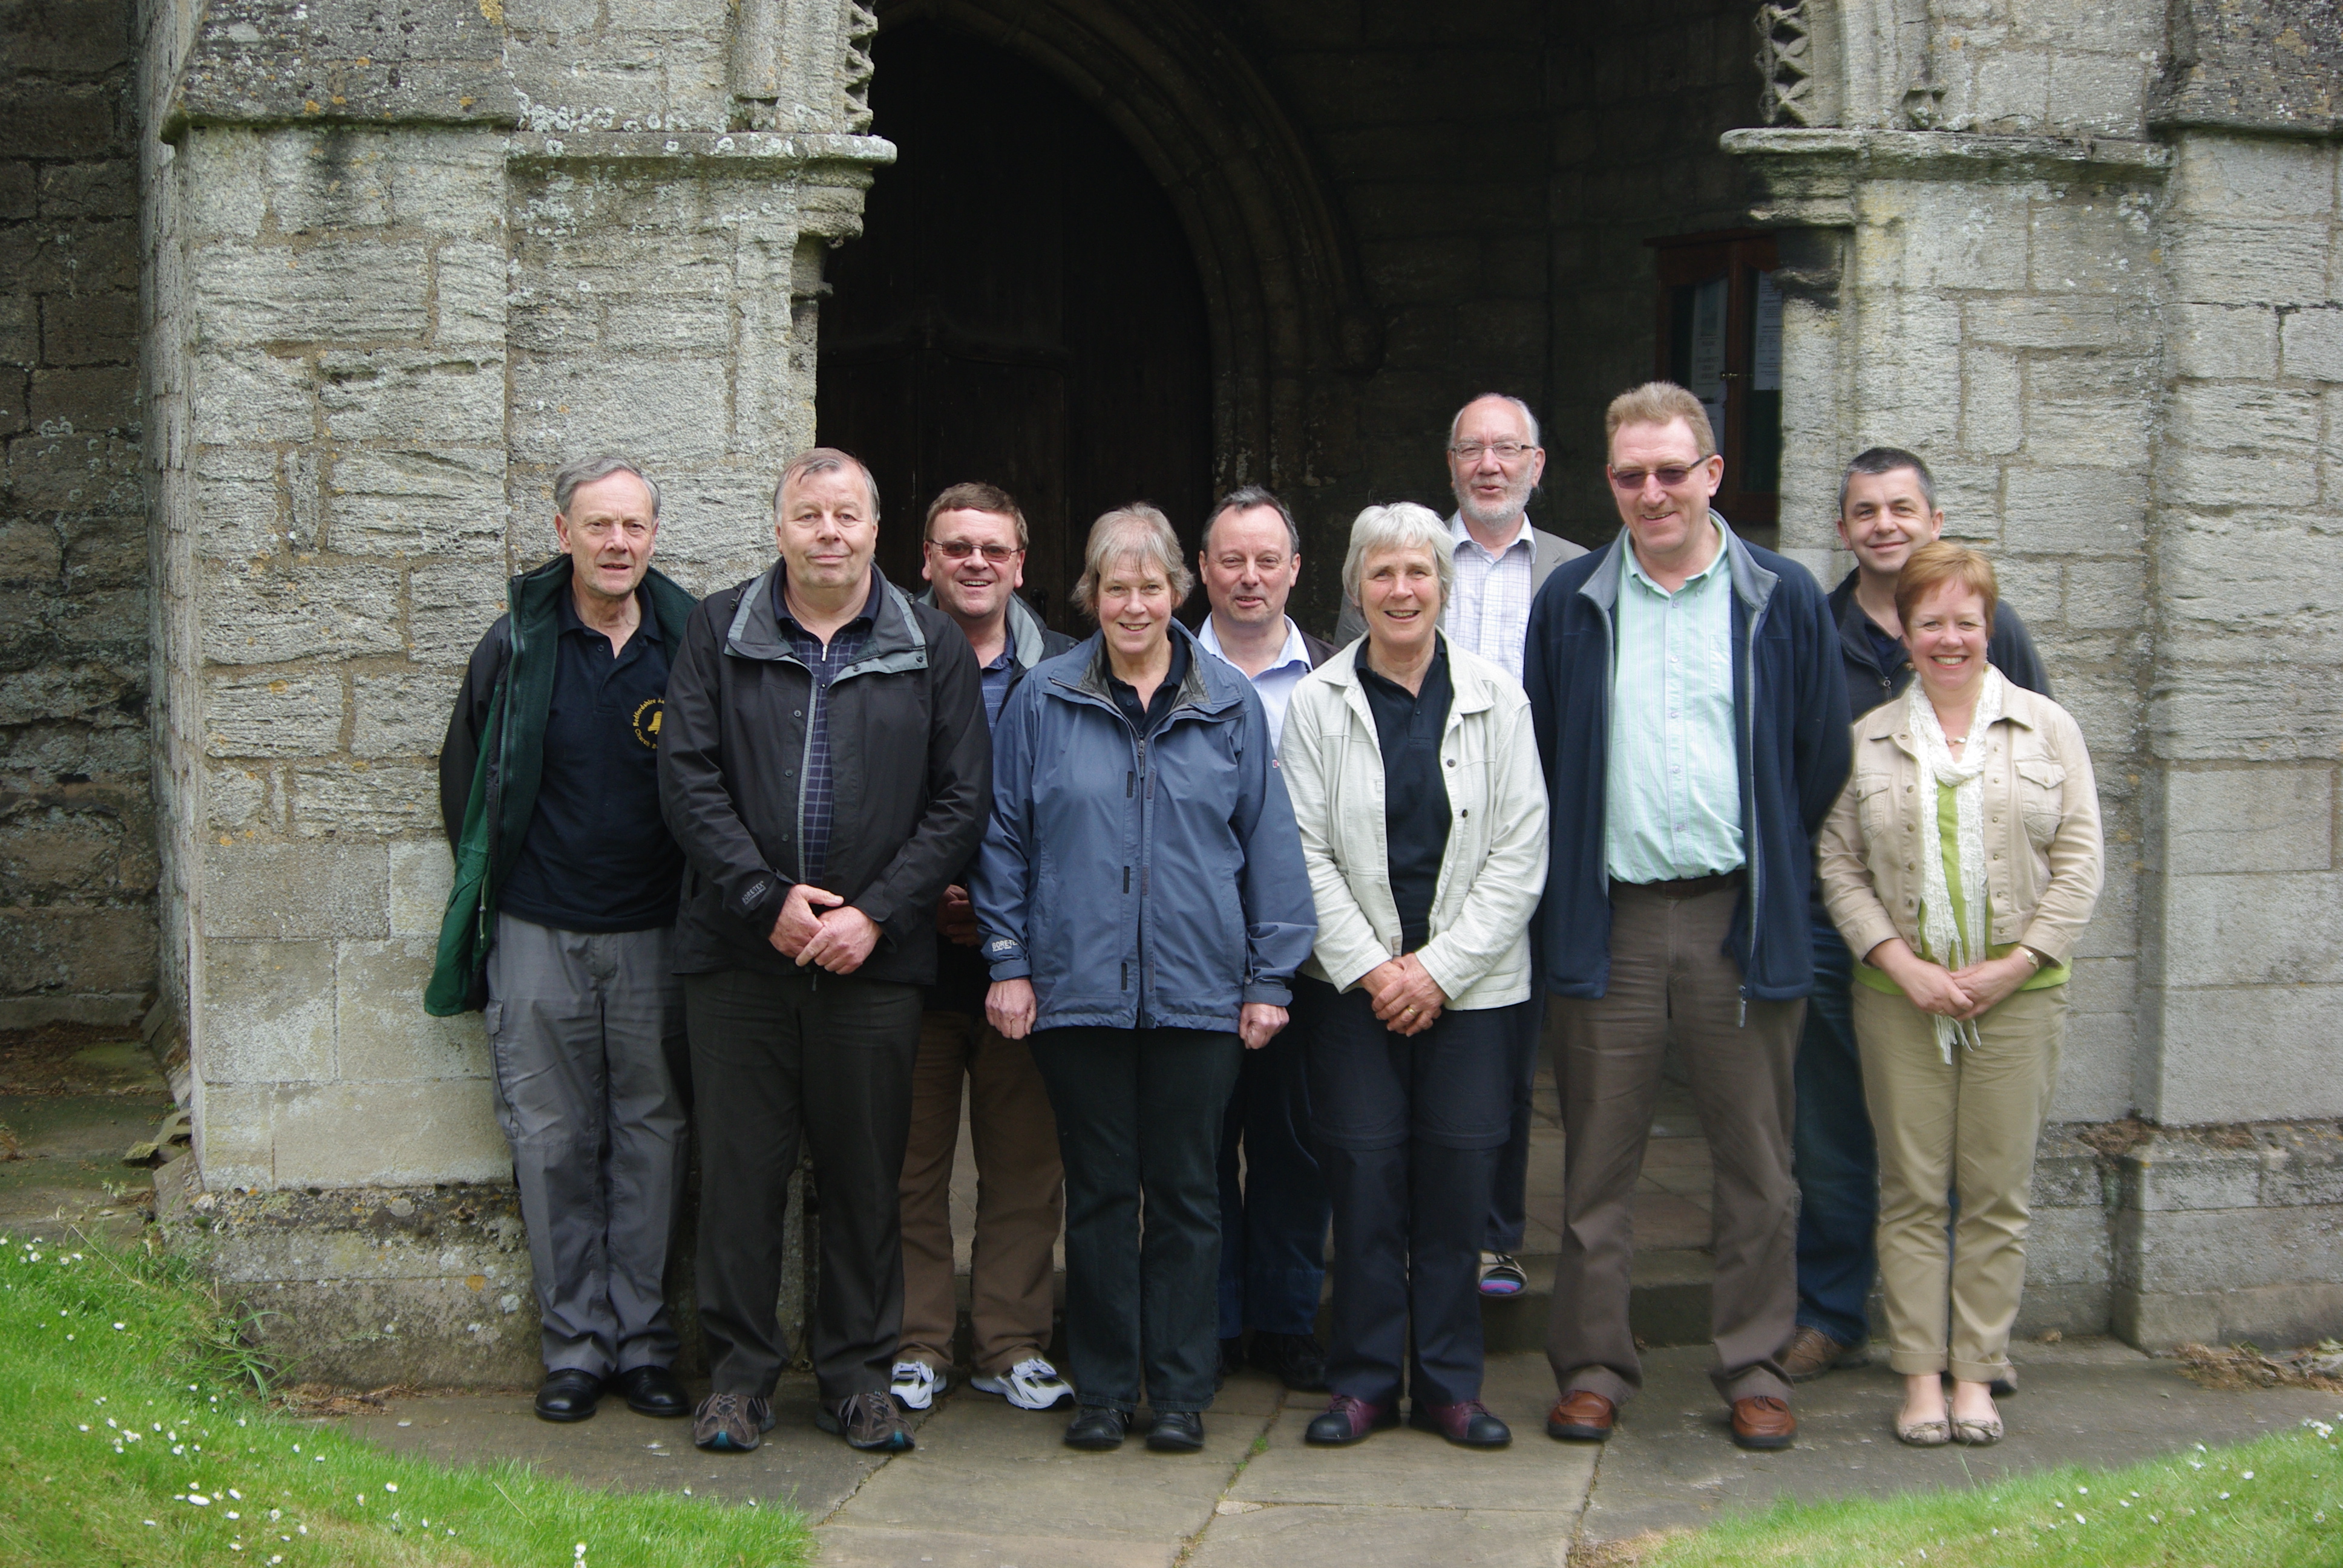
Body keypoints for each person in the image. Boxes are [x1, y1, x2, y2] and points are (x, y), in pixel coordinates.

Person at [1524, 382, 1849, 1452]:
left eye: (1672, 471)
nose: (1652, 492)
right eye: (1631, 475)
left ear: (1712, 473)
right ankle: (1593, 1369)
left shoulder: (1782, 596)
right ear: (1609, 483)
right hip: (1609, 919)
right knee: (1595, 1167)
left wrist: (1765, 862)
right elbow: (1546, 755)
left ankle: (1754, 1366)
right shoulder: (1571, 600)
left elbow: (1818, 757)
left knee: (1756, 1163)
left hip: (1736, 919)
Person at [659, 448, 990, 1455]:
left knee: (864, 1181)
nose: (829, 533)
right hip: (739, 957)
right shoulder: (720, 628)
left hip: (871, 965)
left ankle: (857, 1379)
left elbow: (960, 800)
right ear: (780, 529)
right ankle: (739, 1381)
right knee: (740, 1179)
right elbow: (687, 777)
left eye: (847, 515)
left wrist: (875, 915)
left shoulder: (930, 642)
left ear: (877, 532)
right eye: (809, 515)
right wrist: (763, 899)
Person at [973, 505, 1316, 1454]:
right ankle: (1102, 1389)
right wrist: (1008, 961)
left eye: (1152, 587)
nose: (1134, 605)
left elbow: (1269, 844)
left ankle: (1179, 1393)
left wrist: (1271, 978)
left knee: (1187, 1195)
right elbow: (1003, 839)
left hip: (1199, 994)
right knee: (1096, 1195)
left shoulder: (1229, 701)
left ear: (1178, 592)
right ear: (1092, 595)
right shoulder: (1044, 698)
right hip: (1077, 990)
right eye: (1116, 588)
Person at [433, 454, 697, 1426]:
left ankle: (646, 1345)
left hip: (658, 933)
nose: (616, 544)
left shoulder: (690, 644)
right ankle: (576, 1348)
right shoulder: (515, 644)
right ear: (563, 535)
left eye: (633, 527)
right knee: (550, 1141)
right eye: (598, 526)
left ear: (653, 537)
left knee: (654, 1138)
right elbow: (468, 785)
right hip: (539, 929)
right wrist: (512, 894)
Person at [1818, 541, 2100, 1447]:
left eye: (1965, 622)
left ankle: (1977, 1374)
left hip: (2019, 999)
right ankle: (1918, 1379)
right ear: (1904, 633)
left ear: (1990, 628)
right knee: (1909, 1191)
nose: (1949, 639)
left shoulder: (2049, 730)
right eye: (1930, 622)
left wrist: (2014, 965)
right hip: (1899, 998)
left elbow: (2081, 862)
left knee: (1995, 1194)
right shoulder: (1865, 740)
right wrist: (1902, 964)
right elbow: (1838, 864)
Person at [1280, 502, 1548, 1449]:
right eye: (1383, 573)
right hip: (1353, 993)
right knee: (1362, 1185)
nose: (1402, 590)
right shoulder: (1317, 702)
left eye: (1419, 572)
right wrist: (1375, 970)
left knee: (1454, 1190)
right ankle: (1360, 1383)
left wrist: (1436, 971)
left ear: (1444, 585)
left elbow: (1520, 853)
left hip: (1473, 993)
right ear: (1356, 589)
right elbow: (1302, 852)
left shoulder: (1498, 698)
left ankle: (1447, 1387)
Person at [1784, 449, 2054, 1386]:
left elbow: (2043, 767)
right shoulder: (1811, 631)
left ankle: (1964, 1341)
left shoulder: (1993, 630)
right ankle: (1831, 1315)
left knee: (1972, 1148)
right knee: (1833, 1139)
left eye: (1902, 508)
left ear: (1934, 521)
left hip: (1973, 947)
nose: (1885, 525)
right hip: (1839, 931)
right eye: (1866, 511)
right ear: (1843, 529)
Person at [1341, 394, 1587, 1300]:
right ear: (1449, 464)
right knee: (1390, 1079)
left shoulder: (1575, 573)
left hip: (1522, 835)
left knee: (1502, 1055)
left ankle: (1492, 1236)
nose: (1489, 465)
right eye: (1472, 450)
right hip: (1404, 834)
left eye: (1507, 449)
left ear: (1537, 463)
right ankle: (1406, 1237)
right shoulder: (1397, 553)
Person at [890, 483, 1076, 1417]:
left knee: (1024, 1168)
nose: (975, 563)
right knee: (908, 1166)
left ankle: (1010, 1342)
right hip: (907, 953)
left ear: (1020, 565)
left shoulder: (1067, 670)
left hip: (1029, 967)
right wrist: (919, 893)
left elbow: (1079, 815)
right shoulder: (883, 655)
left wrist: (1009, 911)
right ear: (925, 560)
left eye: (993, 549)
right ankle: (918, 1340)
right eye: (956, 547)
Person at [1194, 485, 1336, 1393]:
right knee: (1200, 1149)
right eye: (1232, 560)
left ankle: (1285, 1321)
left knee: (1294, 1145)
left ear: (1295, 571)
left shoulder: (1334, 676)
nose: (1250, 577)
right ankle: (1210, 1322)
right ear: (1203, 570)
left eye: (1267, 561)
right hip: (1193, 951)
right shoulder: (1163, 666)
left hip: (1306, 953)